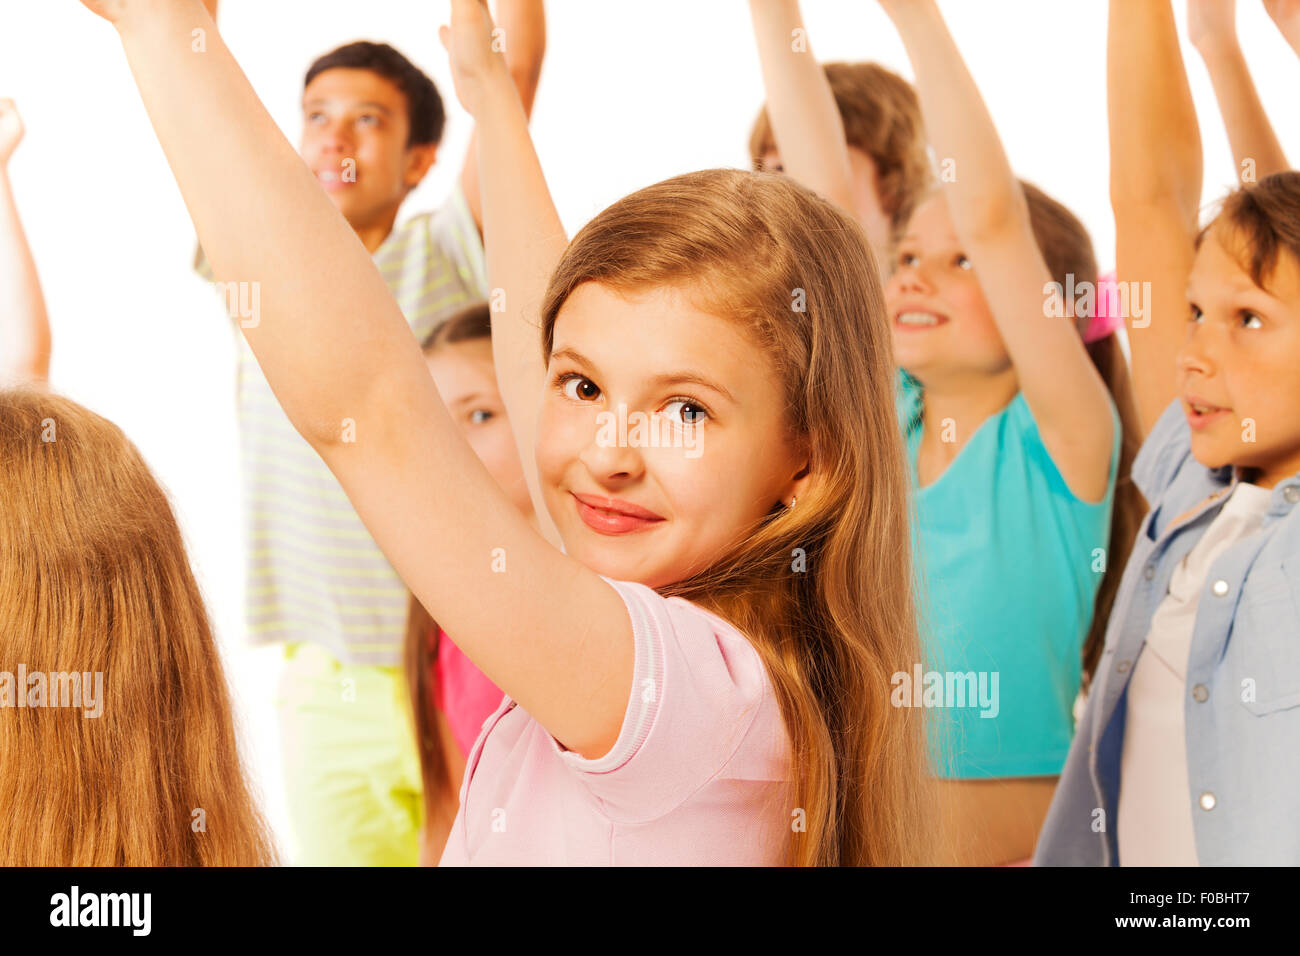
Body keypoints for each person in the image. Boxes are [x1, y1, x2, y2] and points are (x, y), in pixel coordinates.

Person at [79, 0, 937, 866]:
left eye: (687, 411)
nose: (607, 453)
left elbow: (375, 416)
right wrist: (492, 97)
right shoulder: (712, 659)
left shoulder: (696, 690)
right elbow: (536, 353)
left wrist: (166, 32)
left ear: (809, 458)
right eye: (586, 386)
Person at [193, 0, 545, 866]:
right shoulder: (259, 262)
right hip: (328, 681)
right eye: (316, 117)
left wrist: (488, 57)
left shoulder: (447, 249)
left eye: (368, 121)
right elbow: (210, 141)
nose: (334, 139)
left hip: (462, 652)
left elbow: (517, 72)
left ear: (420, 159)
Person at [1036, 0, 1300, 866]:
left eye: (1248, 320)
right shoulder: (1193, 478)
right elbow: (1147, 197)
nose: (1190, 353)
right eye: (1192, 312)